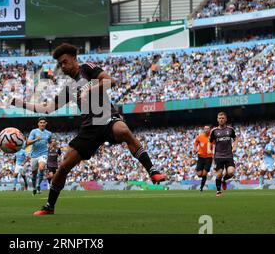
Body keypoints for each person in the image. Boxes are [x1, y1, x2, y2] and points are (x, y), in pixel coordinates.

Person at [11, 43, 166, 215]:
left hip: (106, 118)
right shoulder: (69, 88)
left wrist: (90, 90)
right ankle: (49, 206)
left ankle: (152, 170)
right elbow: (46, 109)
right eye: (60, 65)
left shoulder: (88, 69)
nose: (62, 67)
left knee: (122, 130)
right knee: (63, 167)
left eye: (65, 62)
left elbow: (110, 81)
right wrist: (21, 104)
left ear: (74, 59)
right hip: (88, 129)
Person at [208, 112, 239, 197]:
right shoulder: (214, 131)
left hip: (229, 155)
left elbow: (236, 138)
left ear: (226, 119)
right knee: (219, 173)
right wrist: (208, 149)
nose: (221, 120)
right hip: (218, 156)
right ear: (217, 120)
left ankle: (224, 180)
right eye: (219, 118)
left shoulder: (230, 129)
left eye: (223, 118)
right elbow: (209, 141)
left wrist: (235, 146)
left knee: (231, 172)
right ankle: (218, 191)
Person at [27, 117, 53, 195]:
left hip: (43, 153)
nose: (42, 124)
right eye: (40, 122)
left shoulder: (49, 133)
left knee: (41, 168)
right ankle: (34, 187)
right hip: (34, 155)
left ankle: (39, 185)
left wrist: (50, 146)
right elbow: (28, 142)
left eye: (43, 122)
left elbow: (50, 141)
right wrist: (36, 140)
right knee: (34, 173)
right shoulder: (34, 132)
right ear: (38, 124)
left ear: (46, 123)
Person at [194, 126, 213, 192]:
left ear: (210, 130)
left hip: (209, 157)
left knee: (204, 174)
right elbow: (196, 143)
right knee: (199, 174)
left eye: (208, 129)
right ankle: (197, 170)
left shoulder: (212, 137)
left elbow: (216, 144)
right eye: (205, 129)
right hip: (201, 157)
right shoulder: (200, 137)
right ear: (204, 130)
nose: (207, 130)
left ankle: (201, 187)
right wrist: (195, 148)